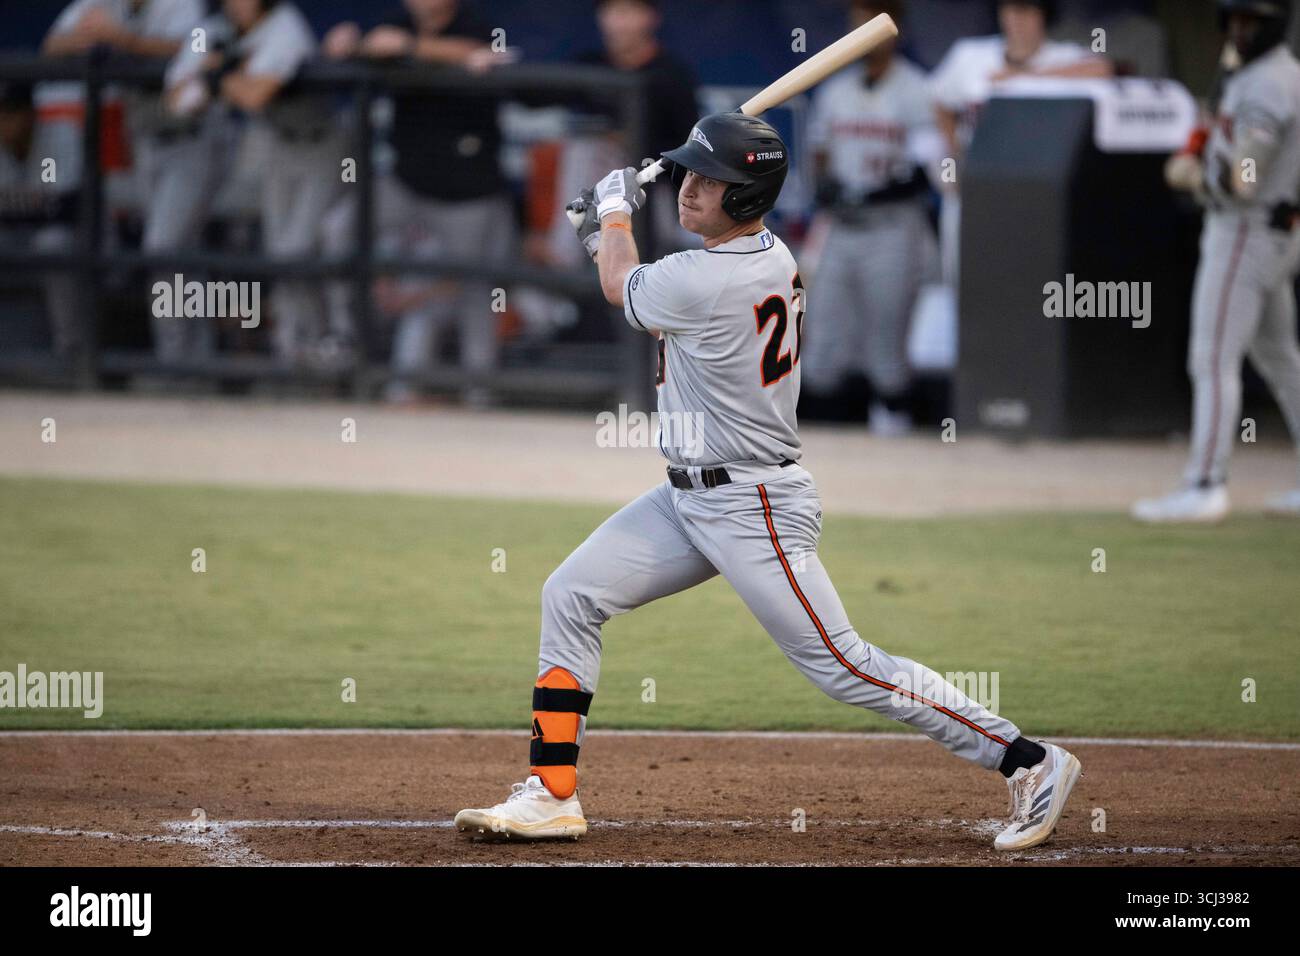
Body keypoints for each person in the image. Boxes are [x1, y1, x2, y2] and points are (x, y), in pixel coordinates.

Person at [454, 112, 1083, 852]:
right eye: (688, 172)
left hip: (752, 504)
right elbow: (644, 300)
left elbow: (628, 287)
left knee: (845, 666)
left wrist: (614, 211)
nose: (689, 189)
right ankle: (552, 794)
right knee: (571, 594)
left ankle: (1029, 760)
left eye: (709, 180)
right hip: (689, 498)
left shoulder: (710, 276)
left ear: (746, 198)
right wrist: (604, 229)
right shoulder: (759, 257)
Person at [1133, 0, 1300, 521]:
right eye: (1235, 20)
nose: (1239, 30)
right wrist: (1204, 145)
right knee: (1280, 359)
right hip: (1273, 232)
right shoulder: (1255, 74)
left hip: (1245, 230)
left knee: (1210, 358)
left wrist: (1195, 175)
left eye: (1250, 21)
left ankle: (1205, 483)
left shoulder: (1271, 83)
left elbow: (1248, 174)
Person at [321, 0, 516, 403]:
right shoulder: (394, 22)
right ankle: (345, 345)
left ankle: (481, 392)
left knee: (474, 290)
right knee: (338, 229)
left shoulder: (476, 24)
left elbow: (486, 53)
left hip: (468, 193)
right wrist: (348, 46)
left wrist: (408, 48)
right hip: (406, 182)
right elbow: (368, 47)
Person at [167, 0, 339, 369]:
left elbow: (255, 94)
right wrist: (228, 74)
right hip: (278, 143)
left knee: (297, 250)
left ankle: (330, 345)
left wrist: (216, 76)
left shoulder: (284, 24)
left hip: (321, 144)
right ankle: (294, 352)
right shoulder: (209, 31)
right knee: (280, 254)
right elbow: (178, 101)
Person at [929, 0, 1110, 338]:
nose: (1018, 20)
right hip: (977, 193)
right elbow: (940, 100)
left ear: (1043, 15)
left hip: (1030, 198)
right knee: (967, 298)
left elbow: (1103, 69)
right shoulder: (970, 55)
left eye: (1028, 10)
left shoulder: (1064, 57)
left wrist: (1022, 76)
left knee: (1029, 300)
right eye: (1011, 9)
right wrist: (952, 152)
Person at [801, 0, 939, 436]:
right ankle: (825, 446)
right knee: (821, 343)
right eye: (855, 24)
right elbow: (819, 159)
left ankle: (893, 440)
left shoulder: (919, 90)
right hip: (841, 229)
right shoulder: (834, 91)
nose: (860, 32)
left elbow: (927, 171)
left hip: (893, 229)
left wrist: (873, 193)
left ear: (892, 29)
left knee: (887, 346)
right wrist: (831, 189)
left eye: (870, 24)